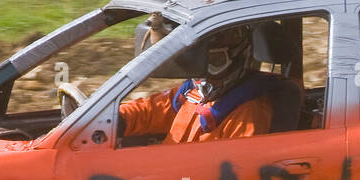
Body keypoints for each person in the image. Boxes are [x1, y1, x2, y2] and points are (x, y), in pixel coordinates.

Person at [118, 24, 295, 143]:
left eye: (214, 60)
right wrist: (113, 119)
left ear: (238, 57)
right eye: (199, 61)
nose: (204, 71)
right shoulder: (191, 93)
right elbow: (152, 110)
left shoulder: (247, 116)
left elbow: (235, 177)